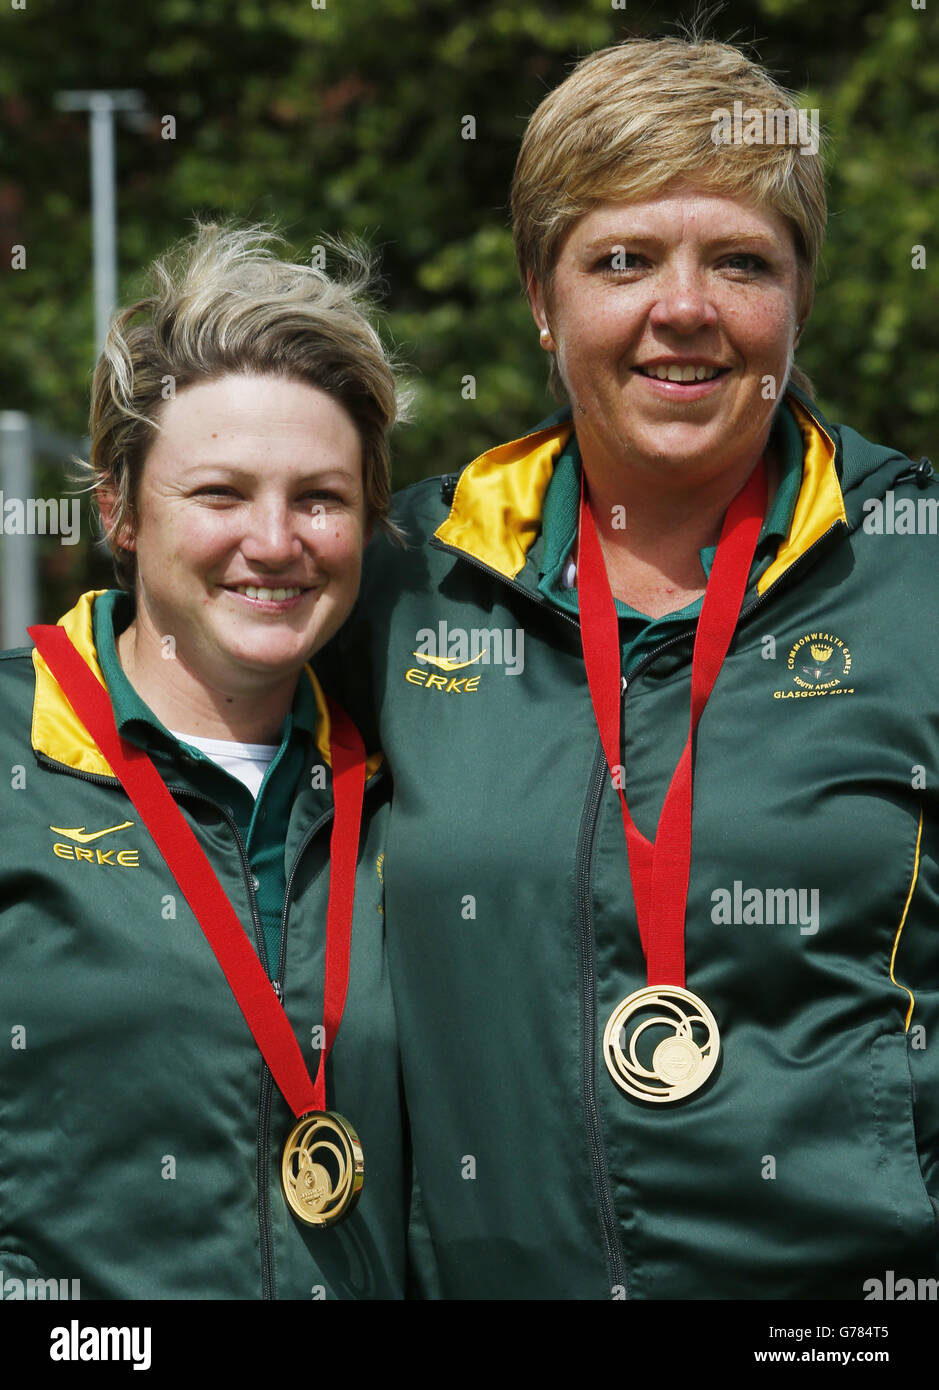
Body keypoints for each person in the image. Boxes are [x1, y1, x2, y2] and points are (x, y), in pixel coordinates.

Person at [319, 37, 939, 1298]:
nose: (685, 307)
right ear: (543, 300)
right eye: (622, 259)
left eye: (741, 261)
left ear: (800, 298)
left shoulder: (918, 571)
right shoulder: (401, 584)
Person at [0, 223, 411, 1299]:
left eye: (319, 497)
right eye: (220, 494)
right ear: (120, 511)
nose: (274, 540)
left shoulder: (409, 774)